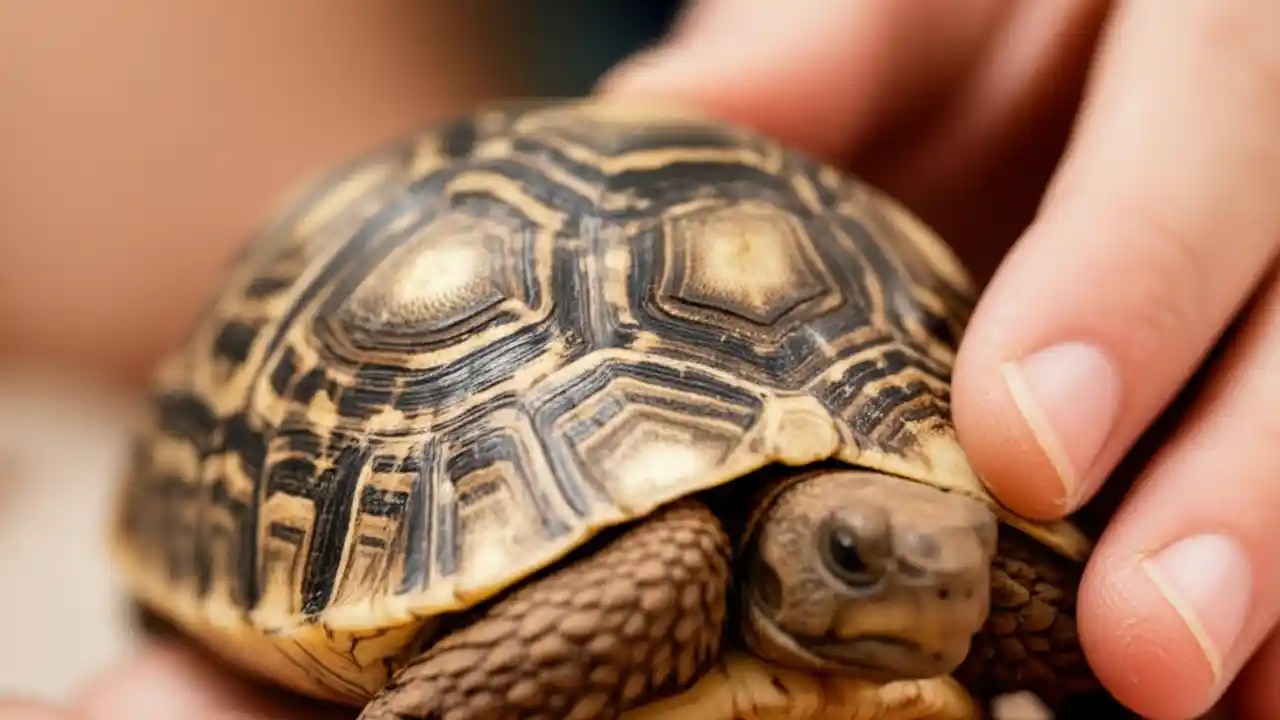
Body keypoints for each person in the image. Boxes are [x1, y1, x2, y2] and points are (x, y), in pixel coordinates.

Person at [4, 2, 1277, 719]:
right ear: (786, 553)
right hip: (349, 184)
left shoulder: (941, 556)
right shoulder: (675, 569)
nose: (939, 593)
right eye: (854, 556)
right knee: (672, 559)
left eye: (942, 560)